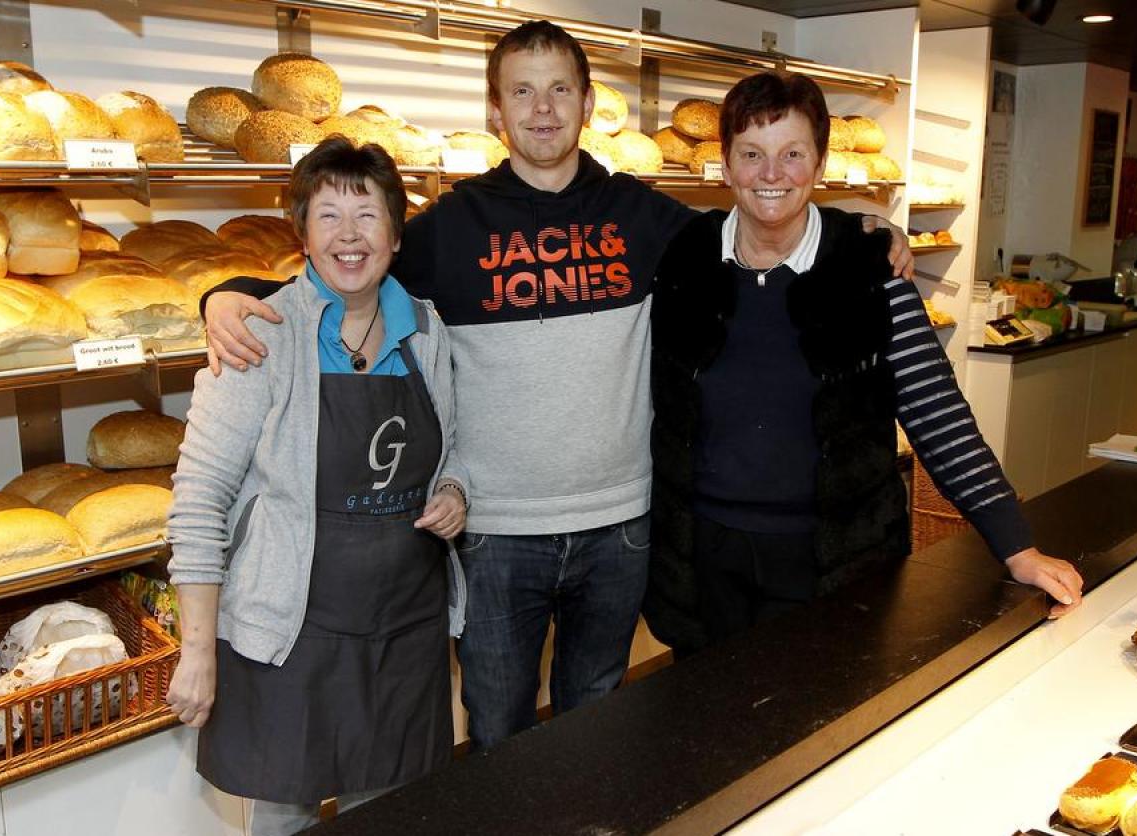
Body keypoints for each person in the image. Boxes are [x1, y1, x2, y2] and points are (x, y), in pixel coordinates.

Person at [200, 21, 912, 751]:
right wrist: (230, 290)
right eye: (522, 91)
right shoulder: (452, 228)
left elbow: (759, 225)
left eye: (559, 89)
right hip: (497, 534)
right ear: (495, 112)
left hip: (621, 527)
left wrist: (861, 226)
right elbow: (349, 262)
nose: (542, 108)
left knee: (599, 723)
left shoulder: (643, 217)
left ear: (586, 100)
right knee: (500, 732)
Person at [642, 72, 1084, 655]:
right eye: (752, 154)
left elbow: (938, 414)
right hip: (703, 563)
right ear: (725, 165)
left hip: (834, 562)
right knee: (710, 727)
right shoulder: (682, 258)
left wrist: (1016, 547)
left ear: (820, 165)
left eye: (792, 154)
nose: (771, 174)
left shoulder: (868, 270)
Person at [165, 137, 469, 836]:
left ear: (396, 233)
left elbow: (455, 448)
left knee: (391, 814)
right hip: (291, 633)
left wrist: (453, 491)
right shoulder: (260, 336)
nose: (349, 236)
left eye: (367, 215)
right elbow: (201, 498)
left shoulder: (426, 330)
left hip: (406, 630)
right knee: (285, 817)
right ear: (301, 235)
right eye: (327, 216)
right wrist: (199, 651)